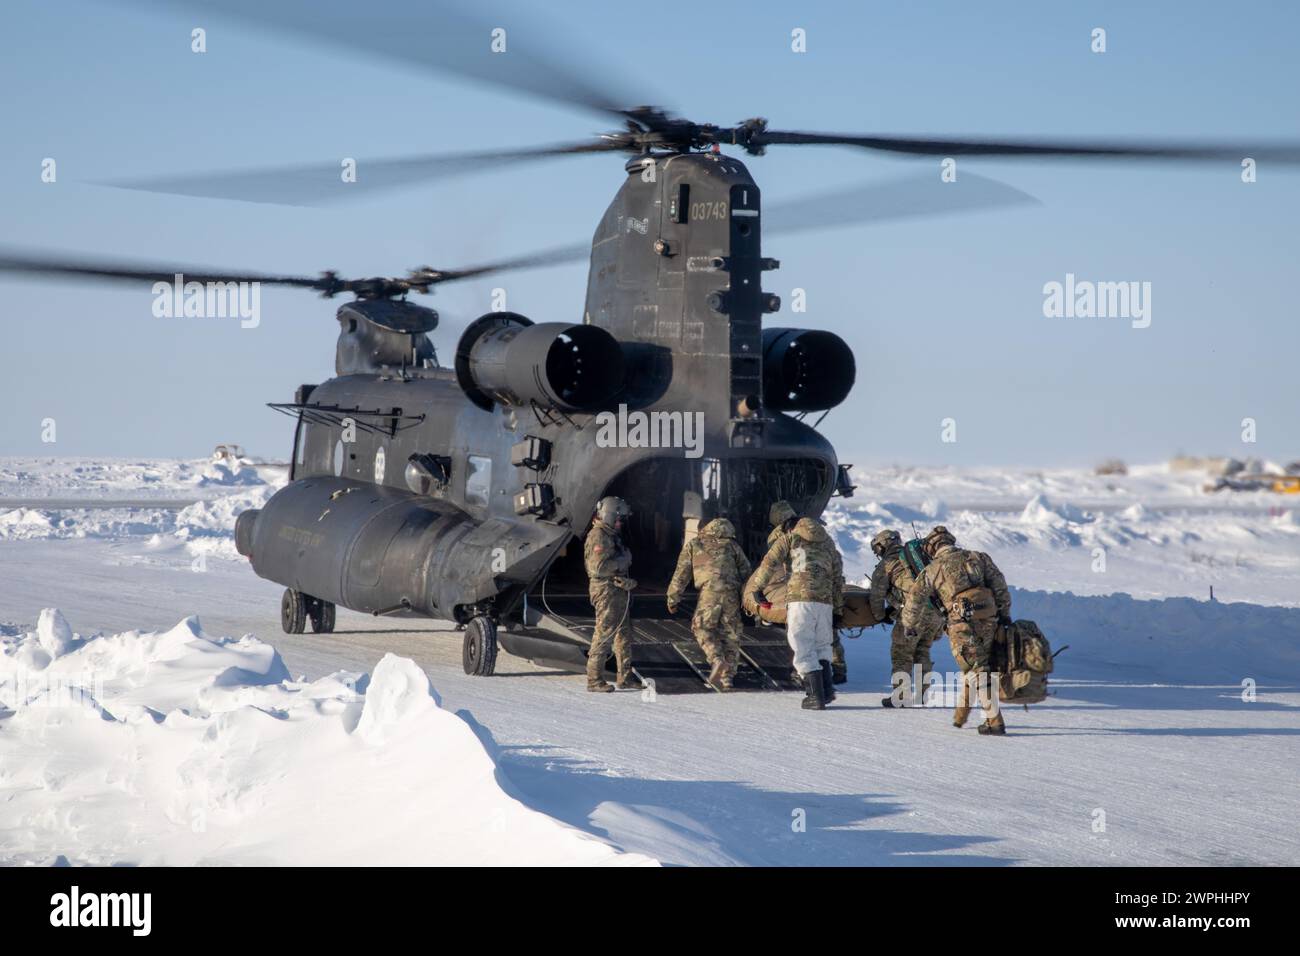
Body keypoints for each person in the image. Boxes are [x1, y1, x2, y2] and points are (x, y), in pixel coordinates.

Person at [903, 525, 1012, 734]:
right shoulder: (978, 557)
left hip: (961, 625)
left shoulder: (932, 570)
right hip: (989, 619)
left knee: (976, 670)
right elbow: (1000, 586)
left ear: (932, 547)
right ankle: (960, 718)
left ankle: (995, 720)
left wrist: (909, 624)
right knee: (979, 666)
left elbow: (914, 599)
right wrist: (1004, 613)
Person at [745, 500, 849, 683]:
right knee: (825, 637)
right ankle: (836, 672)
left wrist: (757, 588)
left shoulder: (784, 536)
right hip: (824, 596)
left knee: (800, 637)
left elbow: (771, 562)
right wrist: (838, 608)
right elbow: (837, 576)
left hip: (799, 594)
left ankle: (807, 679)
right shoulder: (825, 538)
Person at [666, 517, 752, 690]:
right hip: (731, 595)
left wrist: (673, 598)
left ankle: (716, 659)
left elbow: (681, 574)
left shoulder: (695, 544)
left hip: (709, 593)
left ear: (703, 528)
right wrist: (749, 599)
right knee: (731, 634)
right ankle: (727, 678)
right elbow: (747, 572)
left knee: (701, 627)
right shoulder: (732, 546)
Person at [868, 529, 943, 707]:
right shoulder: (917, 559)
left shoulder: (887, 564)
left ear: (881, 546)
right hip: (935, 612)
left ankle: (901, 696)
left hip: (914, 613)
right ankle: (924, 694)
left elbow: (876, 597)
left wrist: (880, 616)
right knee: (922, 649)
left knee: (902, 652)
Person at [584, 496, 640, 692]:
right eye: (618, 519)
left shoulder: (610, 535)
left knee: (623, 635)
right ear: (609, 516)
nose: (620, 523)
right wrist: (623, 562)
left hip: (617, 590)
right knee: (604, 634)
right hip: (606, 591)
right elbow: (598, 568)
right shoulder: (599, 536)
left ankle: (625, 677)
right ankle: (594, 680)